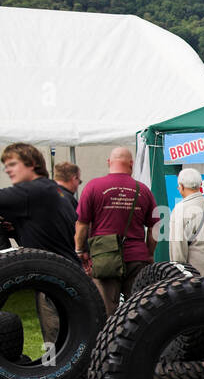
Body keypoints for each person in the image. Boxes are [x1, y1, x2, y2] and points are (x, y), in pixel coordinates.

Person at [0, 143, 77, 341]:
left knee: (58, 336)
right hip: (68, 272)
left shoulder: (32, 191)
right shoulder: (53, 190)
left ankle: (61, 370)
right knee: (70, 334)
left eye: (12, 164)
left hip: (55, 276)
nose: (7, 169)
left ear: (32, 163)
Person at [75, 146, 160, 314]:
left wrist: (80, 250)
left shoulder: (93, 187)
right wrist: (149, 253)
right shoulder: (143, 190)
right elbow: (154, 227)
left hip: (104, 257)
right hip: (136, 258)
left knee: (106, 308)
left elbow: (82, 224)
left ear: (109, 162)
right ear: (131, 164)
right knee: (137, 309)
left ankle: (108, 339)